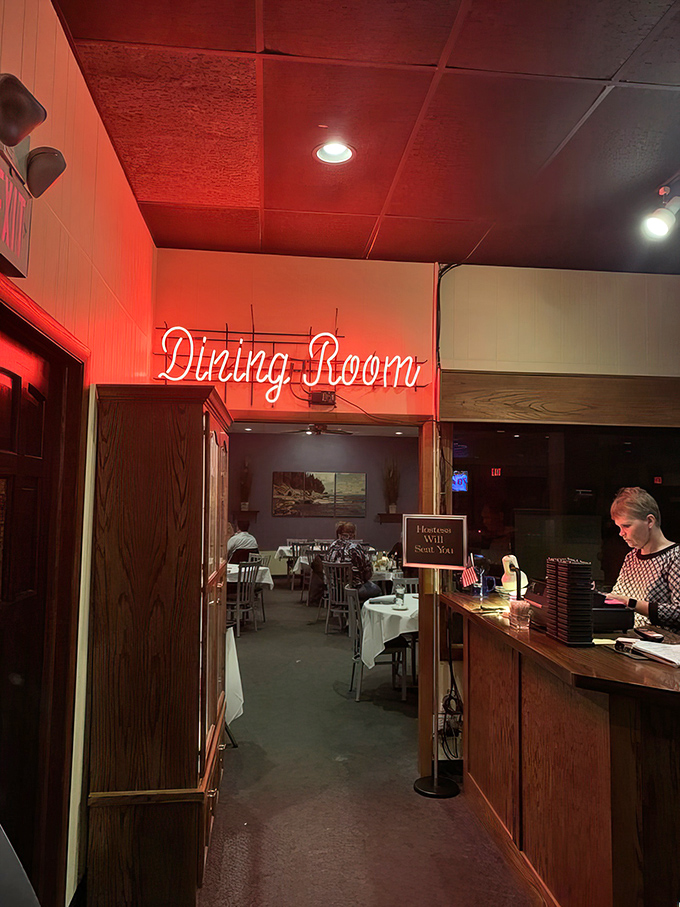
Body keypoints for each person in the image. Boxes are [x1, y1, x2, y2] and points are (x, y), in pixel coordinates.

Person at [608, 486, 680, 630]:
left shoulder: (675, 557)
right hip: (632, 640)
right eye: (619, 527)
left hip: (664, 646)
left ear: (649, 521)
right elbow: (617, 598)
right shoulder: (631, 558)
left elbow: (678, 612)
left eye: (626, 526)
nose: (621, 533)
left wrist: (632, 603)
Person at [326, 521, 379, 601]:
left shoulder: (332, 546)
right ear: (353, 534)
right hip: (353, 590)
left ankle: (347, 610)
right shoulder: (355, 548)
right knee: (378, 591)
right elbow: (367, 573)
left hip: (335, 590)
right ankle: (361, 612)